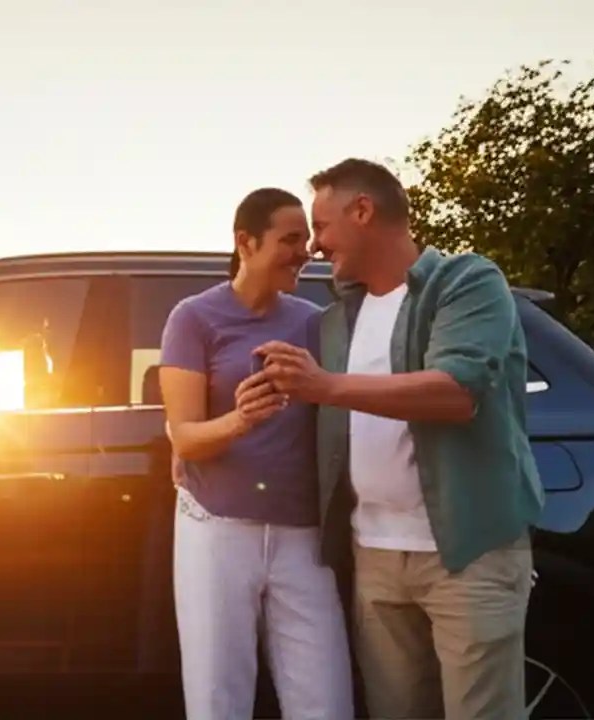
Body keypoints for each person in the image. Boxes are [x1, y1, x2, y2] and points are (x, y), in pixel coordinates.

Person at [256, 158, 545, 719]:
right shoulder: (339, 318)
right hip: (376, 557)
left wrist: (327, 385)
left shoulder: (465, 281)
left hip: (467, 553)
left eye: (322, 225)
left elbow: (457, 392)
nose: (315, 246)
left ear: (363, 211)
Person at [159, 188, 355, 720]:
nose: (305, 251)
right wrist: (242, 419)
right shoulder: (193, 318)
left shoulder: (314, 322)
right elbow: (184, 437)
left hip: (302, 535)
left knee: (326, 699)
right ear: (246, 243)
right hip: (216, 528)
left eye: (305, 239)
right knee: (218, 696)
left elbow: (341, 414)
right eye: (290, 240)